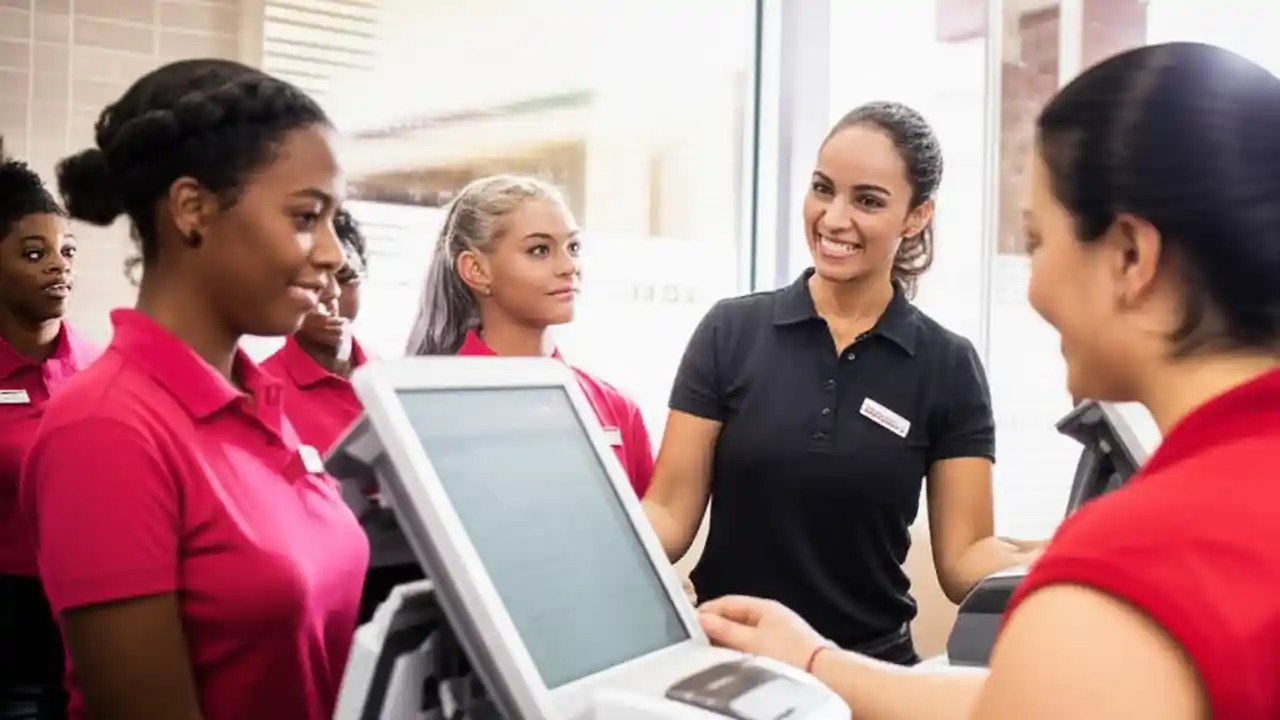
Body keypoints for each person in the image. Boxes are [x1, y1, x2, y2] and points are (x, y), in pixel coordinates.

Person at [696, 42, 1280, 719]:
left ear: (1129, 256)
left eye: (1036, 242)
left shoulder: (1126, 572)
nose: (1033, 287)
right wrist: (816, 662)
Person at [21, 59, 369, 720]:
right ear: (193, 209)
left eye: (334, 220)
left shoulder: (258, 405)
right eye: (306, 216)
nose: (332, 254)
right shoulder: (106, 431)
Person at [644, 101, 1034, 665]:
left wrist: (1064, 558)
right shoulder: (730, 332)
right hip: (729, 663)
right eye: (823, 189)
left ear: (916, 216)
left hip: (868, 673)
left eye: (868, 201)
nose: (832, 218)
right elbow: (671, 512)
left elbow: (964, 559)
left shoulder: (948, 365)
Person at [406, 174, 655, 497]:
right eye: (540, 250)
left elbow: (645, 539)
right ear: (476, 270)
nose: (569, 266)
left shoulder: (618, 409)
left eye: (573, 247)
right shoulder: (426, 408)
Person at [0, 160, 99, 720]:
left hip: (87, 616)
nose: (58, 267)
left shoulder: (99, 366)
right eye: (34, 254)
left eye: (67, 251)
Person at [263, 207, 370, 454]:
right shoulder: (257, 396)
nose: (333, 292)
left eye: (345, 277)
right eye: (314, 276)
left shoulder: (392, 381)